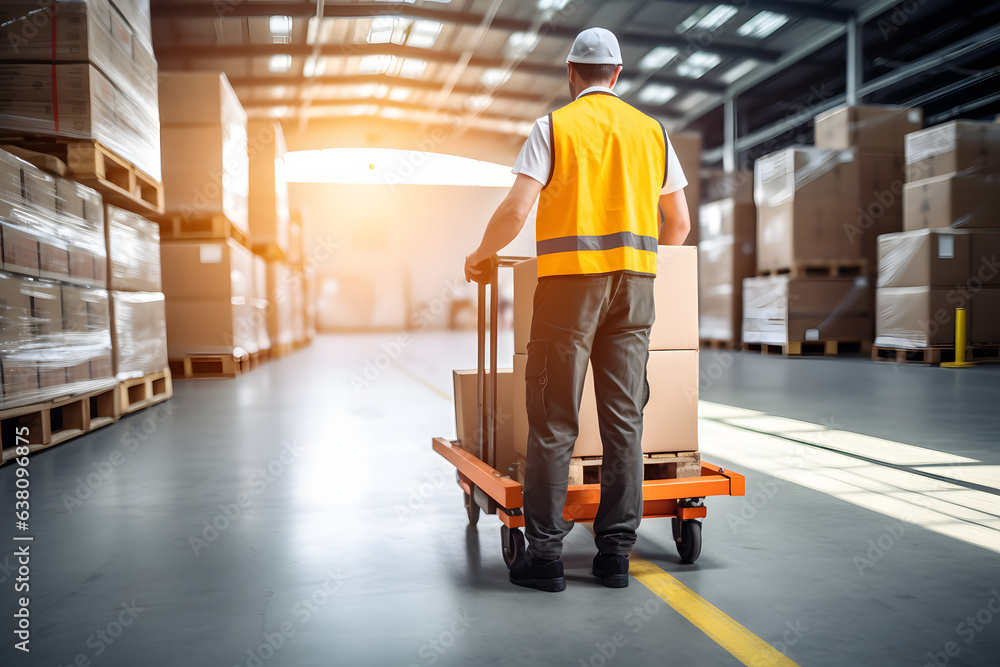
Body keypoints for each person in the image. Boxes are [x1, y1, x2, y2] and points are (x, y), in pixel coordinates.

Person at [464, 27, 691, 593]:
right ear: (617, 75)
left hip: (570, 288)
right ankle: (615, 556)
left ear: (571, 74)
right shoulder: (653, 132)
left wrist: (479, 255)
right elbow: (679, 225)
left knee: (553, 420)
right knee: (624, 422)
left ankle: (545, 558)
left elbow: (517, 209)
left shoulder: (553, 128)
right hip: (635, 286)